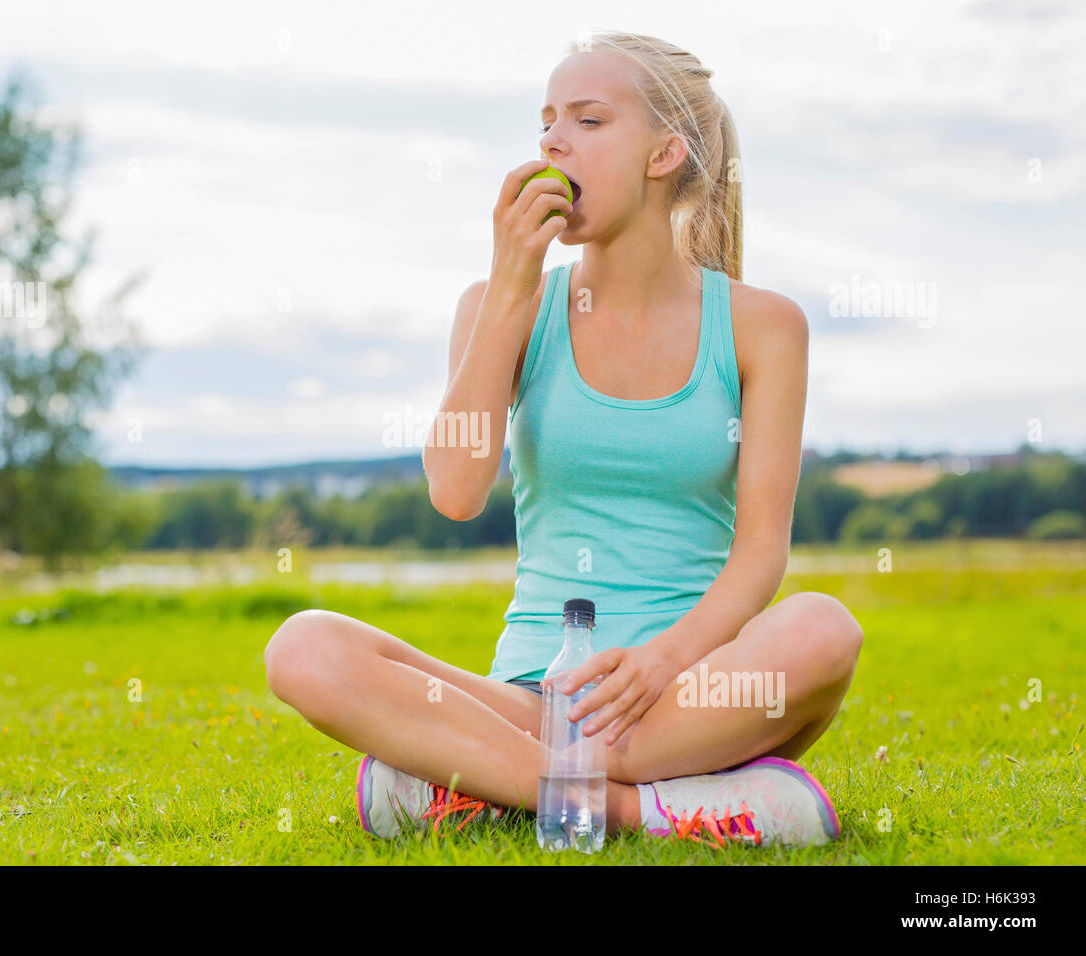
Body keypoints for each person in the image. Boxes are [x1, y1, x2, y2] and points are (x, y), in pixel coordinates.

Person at [264, 31, 863, 848]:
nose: (552, 141)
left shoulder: (764, 327)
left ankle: (476, 781)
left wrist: (660, 663)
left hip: (689, 694)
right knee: (305, 649)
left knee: (824, 631)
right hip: (532, 699)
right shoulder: (499, 304)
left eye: (587, 119)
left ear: (664, 154)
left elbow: (761, 551)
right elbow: (454, 490)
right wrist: (513, 282)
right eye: (546, 121)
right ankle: (651, 809)